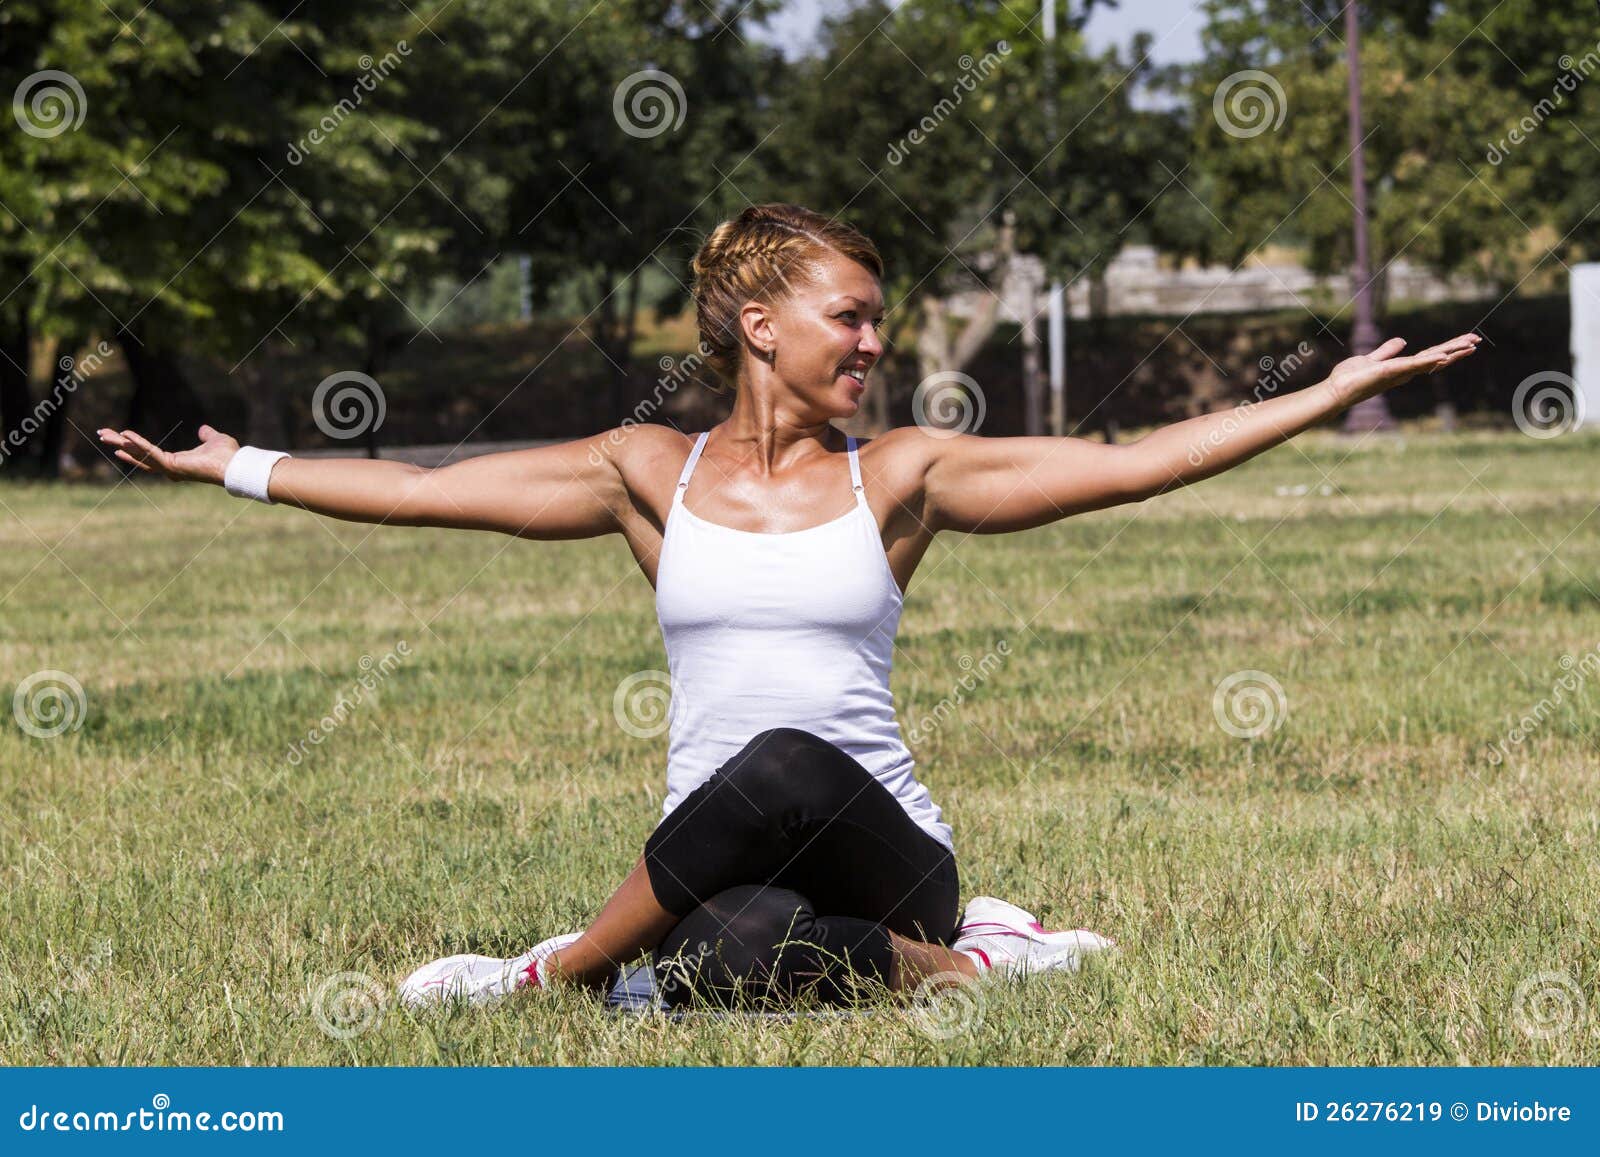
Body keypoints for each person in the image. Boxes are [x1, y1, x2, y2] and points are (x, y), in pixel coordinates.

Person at [98, 203, 1481, 1012]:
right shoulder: (648, 474)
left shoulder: (904, 475)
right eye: (854, 317)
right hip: (717, 864)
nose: (875, 344)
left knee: (779, 764)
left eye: (879, 320)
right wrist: (241, 468)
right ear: (762, 322)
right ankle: (972, 965)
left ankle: (561, 973)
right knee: (723, 960)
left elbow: (1129, 467)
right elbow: (420, 489)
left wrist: (1331, 392)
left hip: (881, 845)